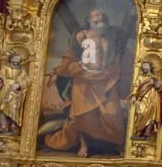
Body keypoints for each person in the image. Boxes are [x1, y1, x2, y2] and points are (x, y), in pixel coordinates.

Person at [44, 8, 126, 156]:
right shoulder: (82, 36)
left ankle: (120, 143)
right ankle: (84, 145)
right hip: (83, 79)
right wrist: (58, 71)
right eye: (96, 15)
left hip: (105, 79)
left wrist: (113, 71)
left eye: (102, 16)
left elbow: (115, 58)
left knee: (112, 114)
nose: (100, 17)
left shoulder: (110, 37)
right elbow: (71, 56)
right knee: (82, 115)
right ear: (89, 20)